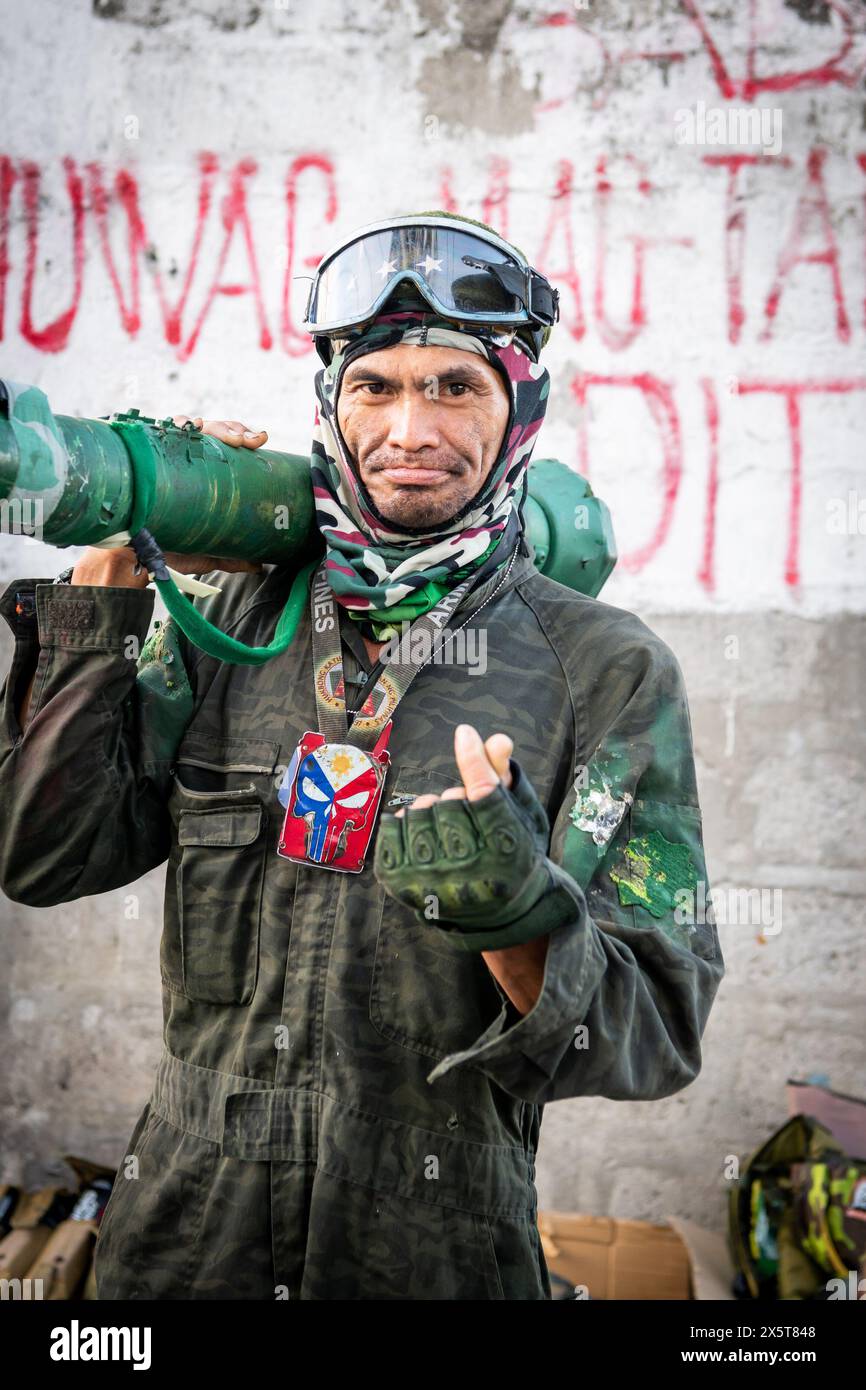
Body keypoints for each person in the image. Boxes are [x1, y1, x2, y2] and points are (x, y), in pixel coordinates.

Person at [0, 212, 724, 1300]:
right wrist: (106, 604)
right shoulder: (224, 618)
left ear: (518, 407)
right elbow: (44, 861)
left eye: (452, 387)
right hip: (180, 1249)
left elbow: (654, 1033)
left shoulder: (603, 668)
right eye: (374, 386)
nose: (407, 426)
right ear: (331, 405)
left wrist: (515, 918)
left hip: (434, 1251)